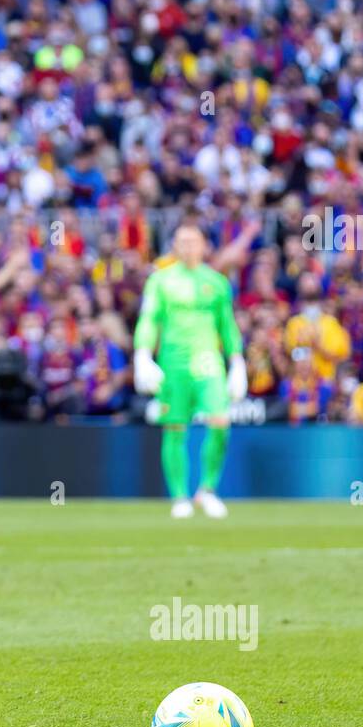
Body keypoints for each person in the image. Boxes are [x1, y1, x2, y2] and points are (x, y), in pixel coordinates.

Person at [133, 222, 246, 519]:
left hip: (209, 361)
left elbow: (227, 325)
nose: (187, 247)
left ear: (204, 245)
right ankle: (179, 496)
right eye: (181, 241)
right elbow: (148, 318)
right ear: (174, 245)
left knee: (221, 422)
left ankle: (207, 490)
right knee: (175, 428)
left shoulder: (217, 282)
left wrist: (237, 361)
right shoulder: (160, 281)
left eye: (193, 241)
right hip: (174, 363)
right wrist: (143, 354)